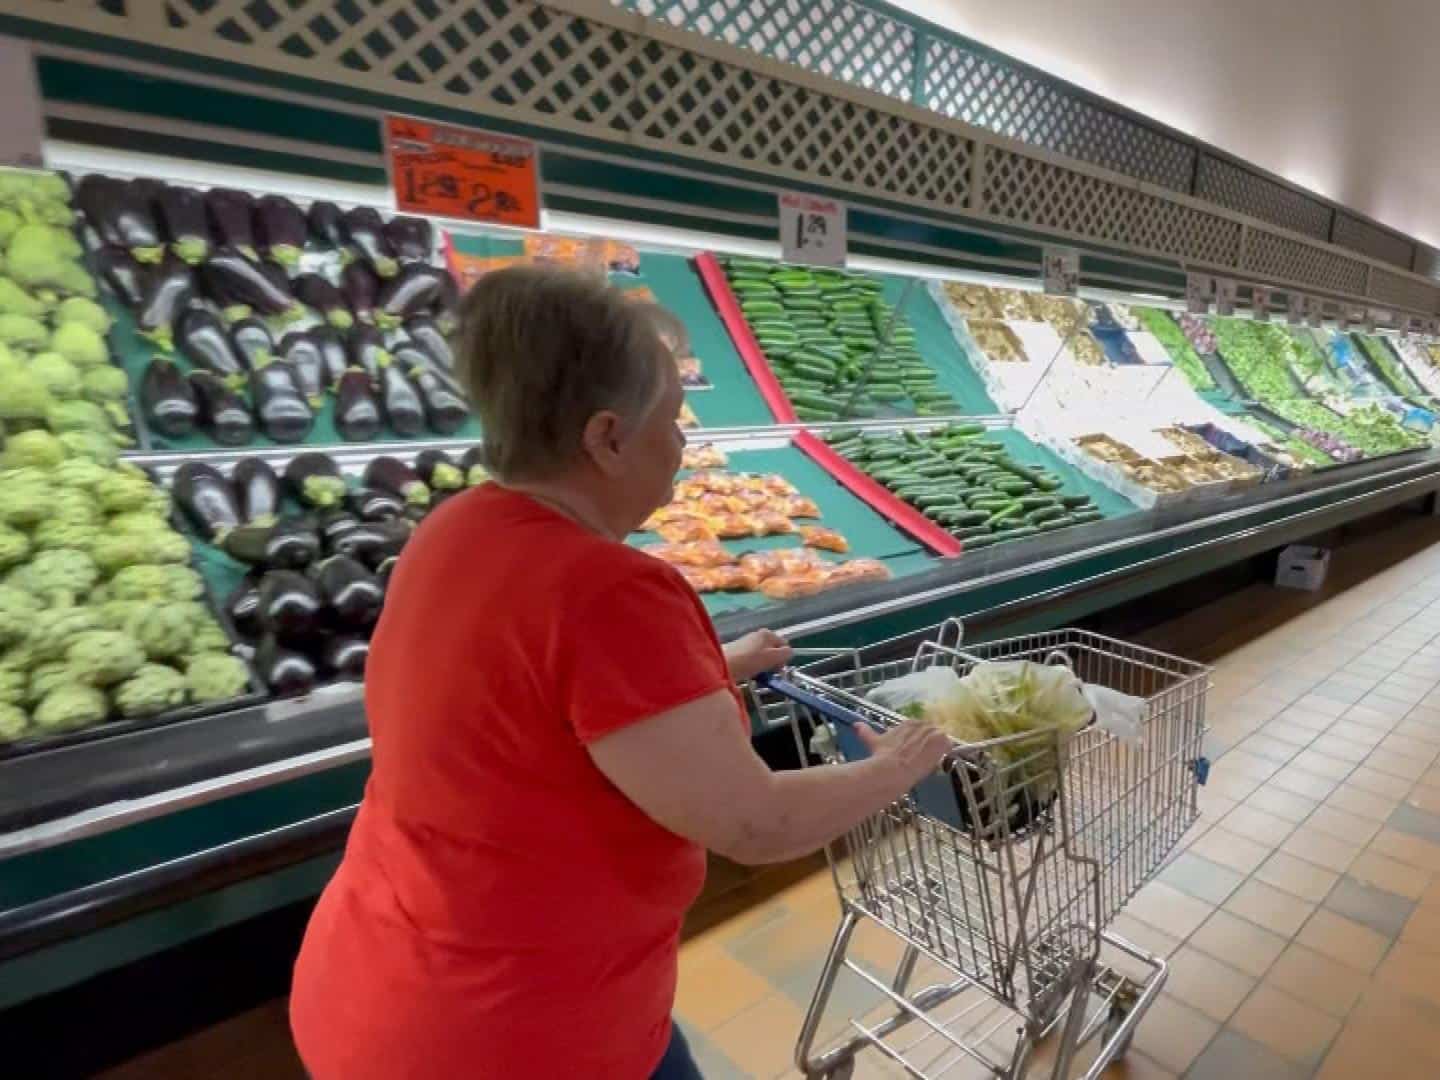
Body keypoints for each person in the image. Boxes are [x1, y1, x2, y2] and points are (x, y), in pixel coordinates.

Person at [288, 267, 954, 1080]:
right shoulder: (612, 589)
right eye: (672, 422)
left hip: (383, 974)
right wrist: (900, 766)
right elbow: (756, 825)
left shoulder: (453, 527)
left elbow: (527, 701)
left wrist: (711, 672)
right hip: (509, 1035)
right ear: (606, 438)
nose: (683, 446)